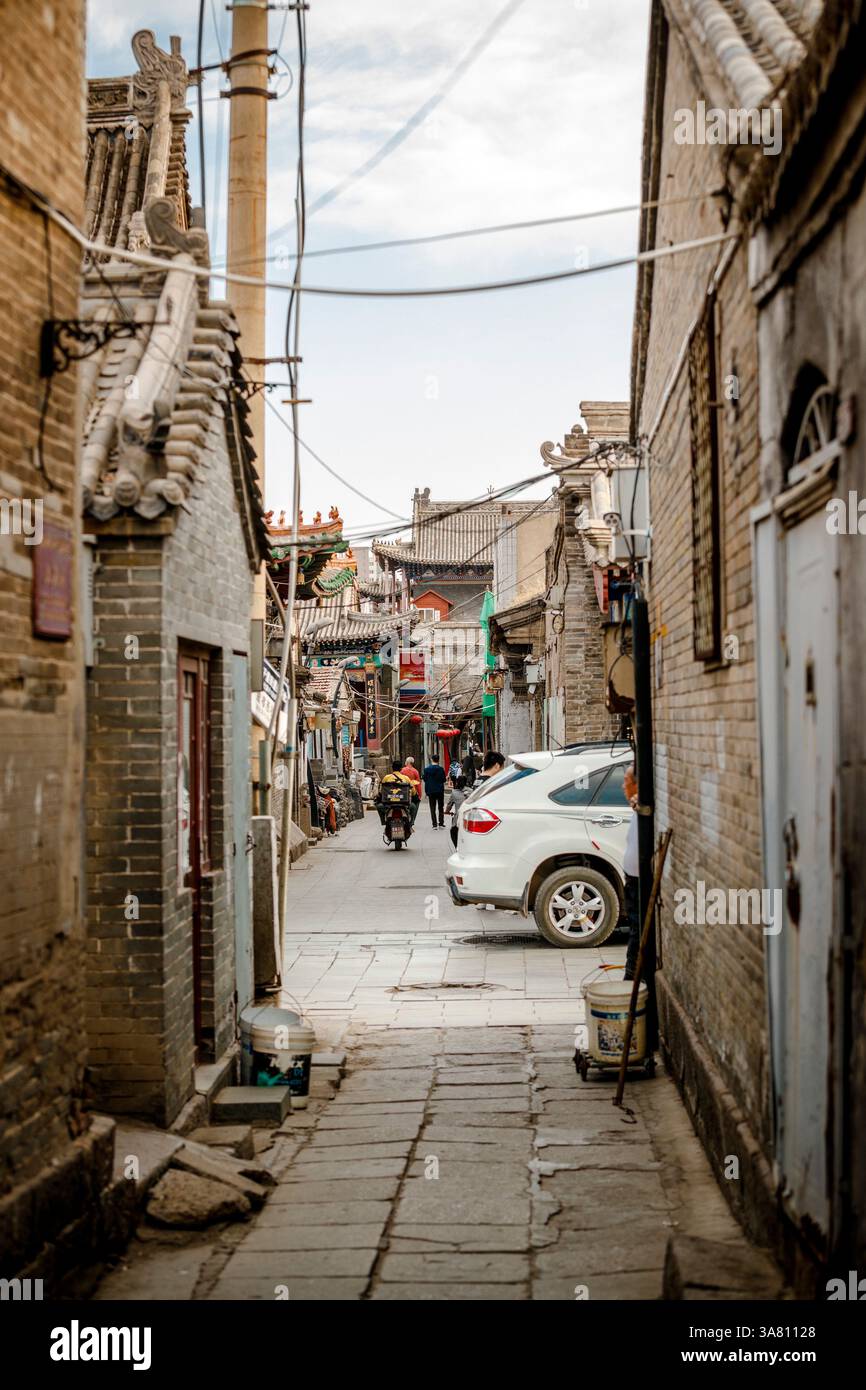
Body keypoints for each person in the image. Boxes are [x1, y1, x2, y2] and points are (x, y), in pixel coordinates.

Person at [621, 763, 641, 981]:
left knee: (637, 930)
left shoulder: (643, 804)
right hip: (633, 878)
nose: (622, 787)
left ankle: (632, 977)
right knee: (635, 927)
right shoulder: (637, 805)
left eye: (625, 782)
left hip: (639, 881)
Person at [376, 760, 415, 828]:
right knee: (413, 807)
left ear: (392, 768)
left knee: (379, 806)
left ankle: (383, 822)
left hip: (389, 804)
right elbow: (413, 791)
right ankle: (410, 823)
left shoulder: (386, 778)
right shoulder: (406, 778)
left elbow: (381, 790)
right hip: (404, 803)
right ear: (401, 769)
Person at [423, 753, 447, 827]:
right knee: (440, 807)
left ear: (432, 760)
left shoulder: (426, 769)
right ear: (438, 760)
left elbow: (425, 779)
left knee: (432, 807)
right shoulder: (441, 769)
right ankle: (441, 823)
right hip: (439, 790)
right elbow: (444, 780)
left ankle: (434, 824)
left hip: (430, 790)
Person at [446, 775, 468, 847]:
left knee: (453, 831)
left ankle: (457, 847)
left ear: (457, 782)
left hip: (458, 817)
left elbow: (449, 805)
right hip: (469, 817)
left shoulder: (454, 793)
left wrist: (447, 811)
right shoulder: (471, 791)